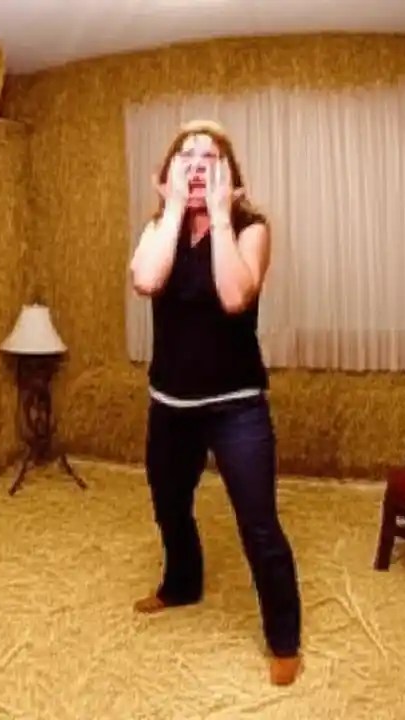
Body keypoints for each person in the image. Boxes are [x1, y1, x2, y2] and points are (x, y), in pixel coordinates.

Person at [128, 120, 302, 686]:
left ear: (229, 174)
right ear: (171, 173)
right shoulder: (159, 227)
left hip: (236, 406)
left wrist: (221, 217)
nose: (199, 163)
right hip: (169, 403)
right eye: (188, 156)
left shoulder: (252, 229)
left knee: (258, 524)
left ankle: (284, 637)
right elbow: (146, 281)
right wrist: (174, 209)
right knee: (169, 504)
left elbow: (234, 296)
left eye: (211, 156)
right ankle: (182, 584)